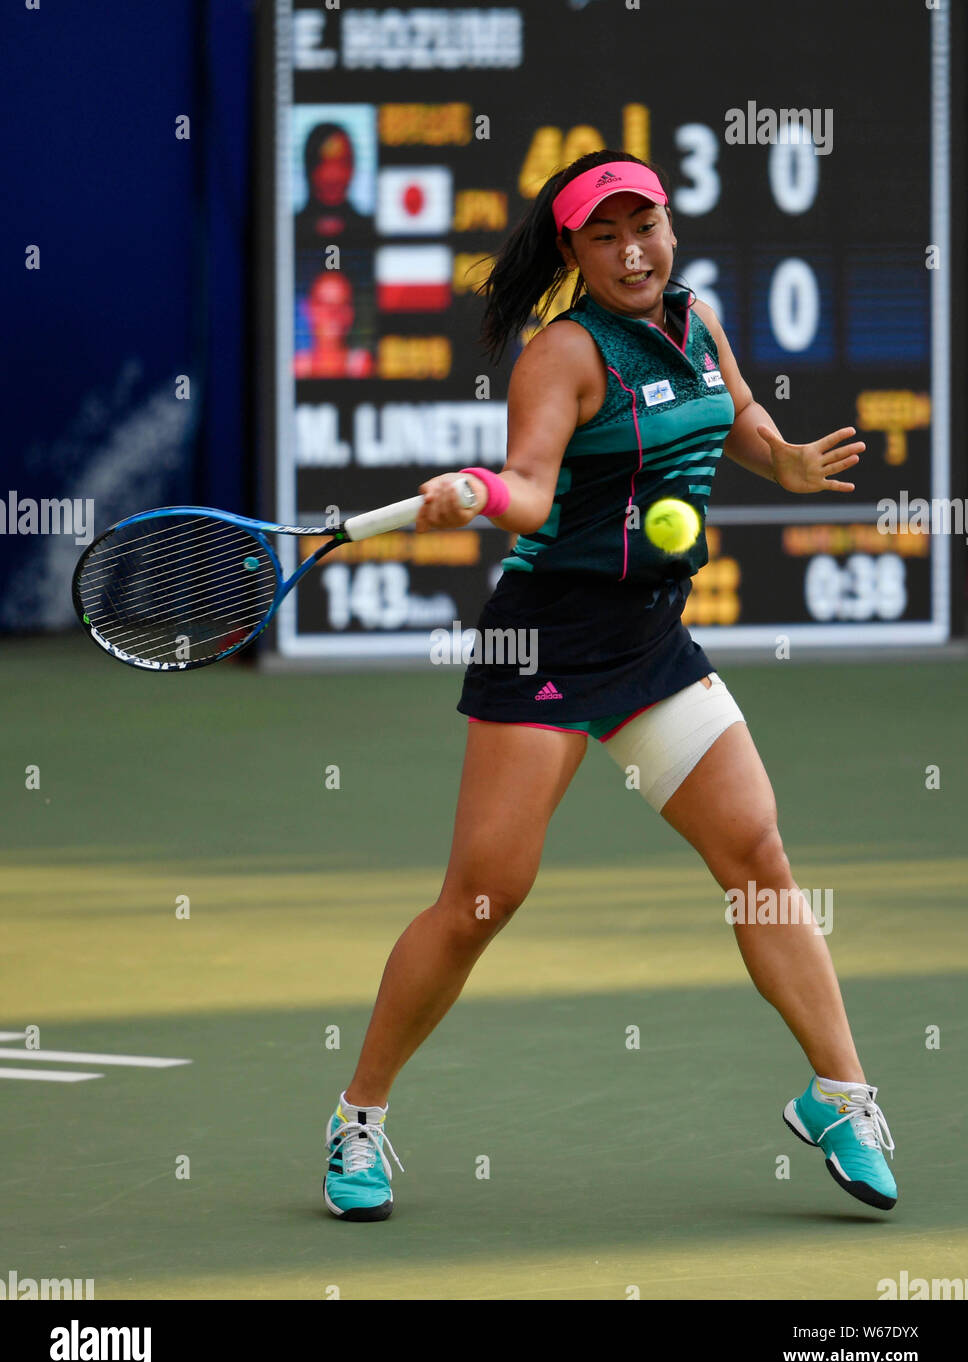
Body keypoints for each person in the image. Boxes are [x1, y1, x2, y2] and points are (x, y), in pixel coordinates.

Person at [323, 150, 897, 1222]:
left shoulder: (694, 318)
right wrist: (476, 490)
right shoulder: (563, 355)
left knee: (757, 853)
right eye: (605, 234)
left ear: (668, 230)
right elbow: (534, 492)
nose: (633, 249)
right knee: (482, 899)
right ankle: (358, 1115)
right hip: (544, 645)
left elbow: (740, 427)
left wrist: (787, 464)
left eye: (647, 224)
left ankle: (840, 1094)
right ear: (574, 252)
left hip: (648, 642)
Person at [294, 122, 372, 245]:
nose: (333, 176)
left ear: (353, 167)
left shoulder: (369, 229)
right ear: (309, 167)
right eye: (324, 163)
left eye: (342, 163)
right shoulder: (291, 229)